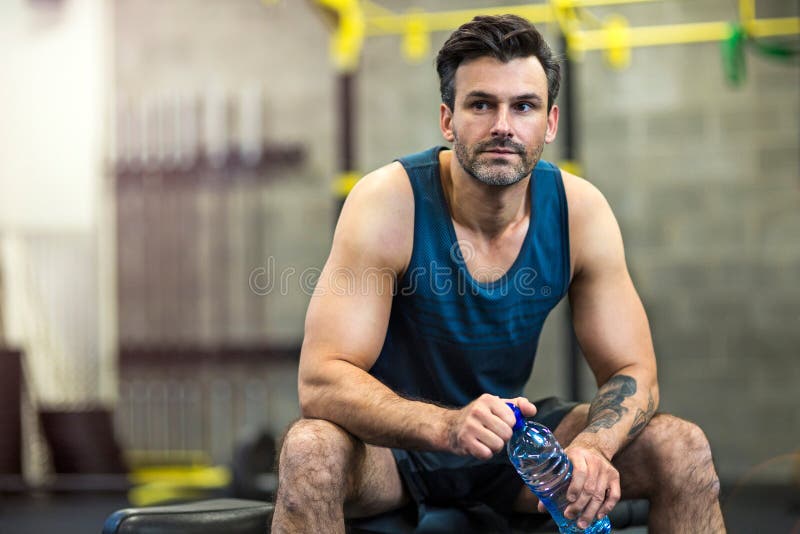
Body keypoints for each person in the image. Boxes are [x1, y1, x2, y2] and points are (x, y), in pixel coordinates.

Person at [272, 14, 725, 534]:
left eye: (524, 106)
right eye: (481, 104)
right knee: (310, 451)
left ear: (550, 123)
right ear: (448, 120)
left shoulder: (579, 211)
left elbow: (633, 370)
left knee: (681, 448)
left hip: (508, 447)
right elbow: (322, 380)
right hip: (392, 451)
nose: (503, 125)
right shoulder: (387, 203)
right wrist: (445, 424)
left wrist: (594, 446)